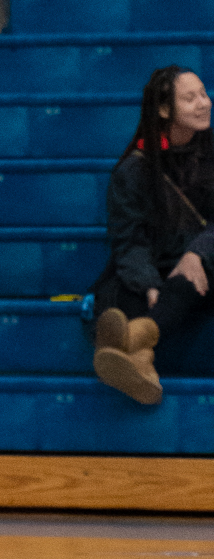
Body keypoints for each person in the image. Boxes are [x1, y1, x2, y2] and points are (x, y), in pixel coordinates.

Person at [90, 66, 214, 404]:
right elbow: (128, 240)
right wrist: (149, 284)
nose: (204, 103)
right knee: (126, 289)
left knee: (194, 276)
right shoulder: (135, 169)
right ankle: (140, 360)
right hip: (157, 265)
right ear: (163, 110)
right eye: (190, 98)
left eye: (204, 93)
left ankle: (133, 341)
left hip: (205, 260)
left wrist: (196, 253)